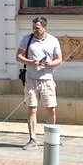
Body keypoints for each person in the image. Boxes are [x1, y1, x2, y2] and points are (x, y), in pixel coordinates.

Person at [15, 15, 64, 146]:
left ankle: (51, 137)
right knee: (32, 109)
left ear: (44, 28)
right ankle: (32, 139)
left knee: (51, 108)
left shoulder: (53, 40)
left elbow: (59, 59)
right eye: (33, 28)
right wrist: (31, 62)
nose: (35, 30)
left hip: (47, 79)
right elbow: (18, 56)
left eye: (37, 28)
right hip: (31, 79)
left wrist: (50, 64)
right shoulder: (27, 39)